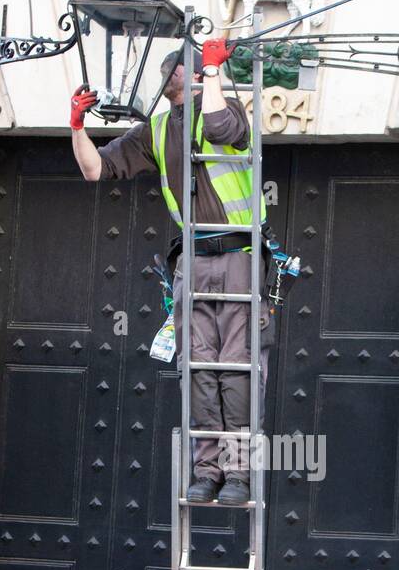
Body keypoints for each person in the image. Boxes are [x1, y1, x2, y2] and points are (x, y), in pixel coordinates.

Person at [69, 40, 273, 506]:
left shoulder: (228, 109)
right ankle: (207, 472)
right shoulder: (156, 131)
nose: (165, 74)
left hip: (239, 256)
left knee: (235, 371)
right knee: (197, 369)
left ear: (193, 73)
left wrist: (216, 71)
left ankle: (238, 474)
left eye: (176, 68)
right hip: (194, 262)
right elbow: (96, 170)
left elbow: (221, 127)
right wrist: (78, 127)